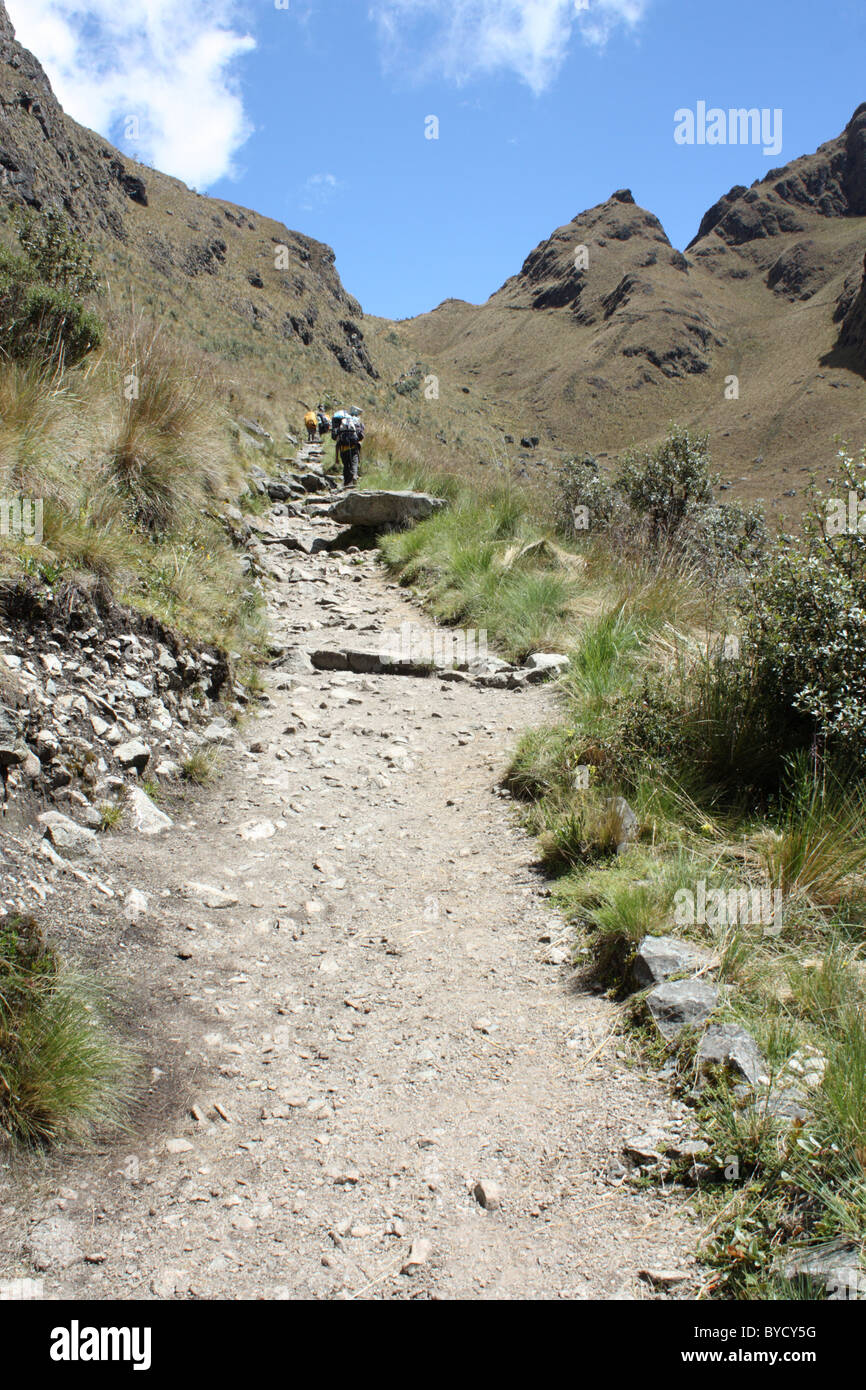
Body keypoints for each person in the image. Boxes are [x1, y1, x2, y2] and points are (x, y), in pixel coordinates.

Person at [331, 407, 365, 489]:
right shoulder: (354, 424)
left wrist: (336, 458)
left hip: (343, 450)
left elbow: (337, 444)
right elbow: (361, 437)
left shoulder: (340, 430)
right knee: (354, 464)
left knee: (346, 466)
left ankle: (346, 484)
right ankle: (354, 476)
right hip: (353, 448)